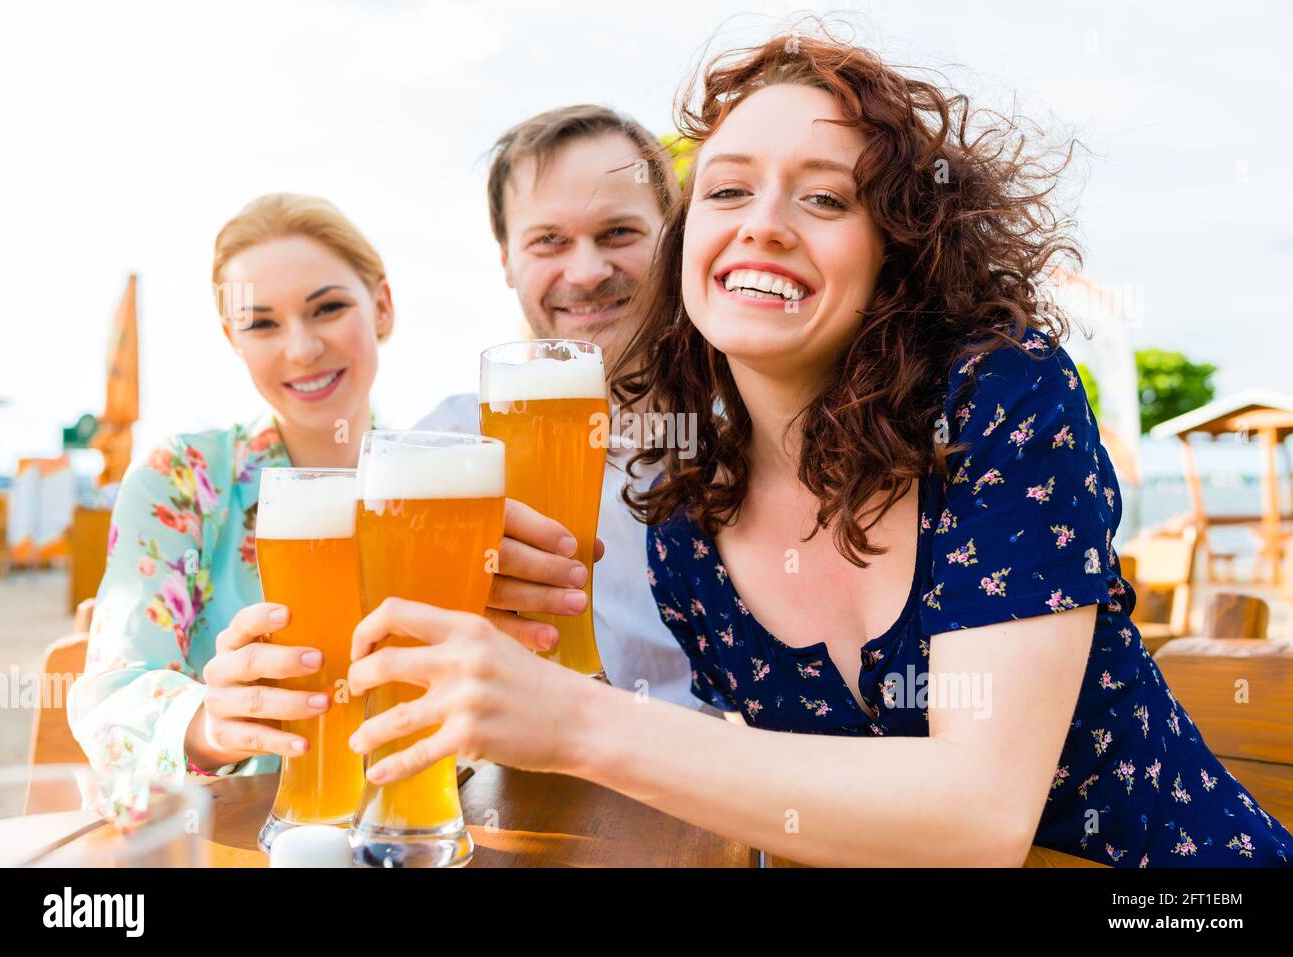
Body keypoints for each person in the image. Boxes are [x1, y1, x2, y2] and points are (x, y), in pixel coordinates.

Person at [341, 32, 1293, 867]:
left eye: (827, 199)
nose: (761, 221)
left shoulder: (997, 397)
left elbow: (981, 816)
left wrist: (578, 719)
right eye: (726, 189)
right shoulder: (683, 518)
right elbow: (778, 796)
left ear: (900, 248)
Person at [67, 194, 393, 818]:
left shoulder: (441, 487)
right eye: (262, 324)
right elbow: (112, 698)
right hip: (230, 838)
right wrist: (210, 726)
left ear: (382, 306)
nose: (301, 348)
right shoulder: (182, 478)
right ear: (232, 339)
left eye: (327, 307)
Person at [416, 104, 701, 707]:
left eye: (618, 233)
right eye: (550, 240)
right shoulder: (441, 450)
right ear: (506, 262)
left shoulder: (745, 436)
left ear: (671, 241)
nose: (589, 270)